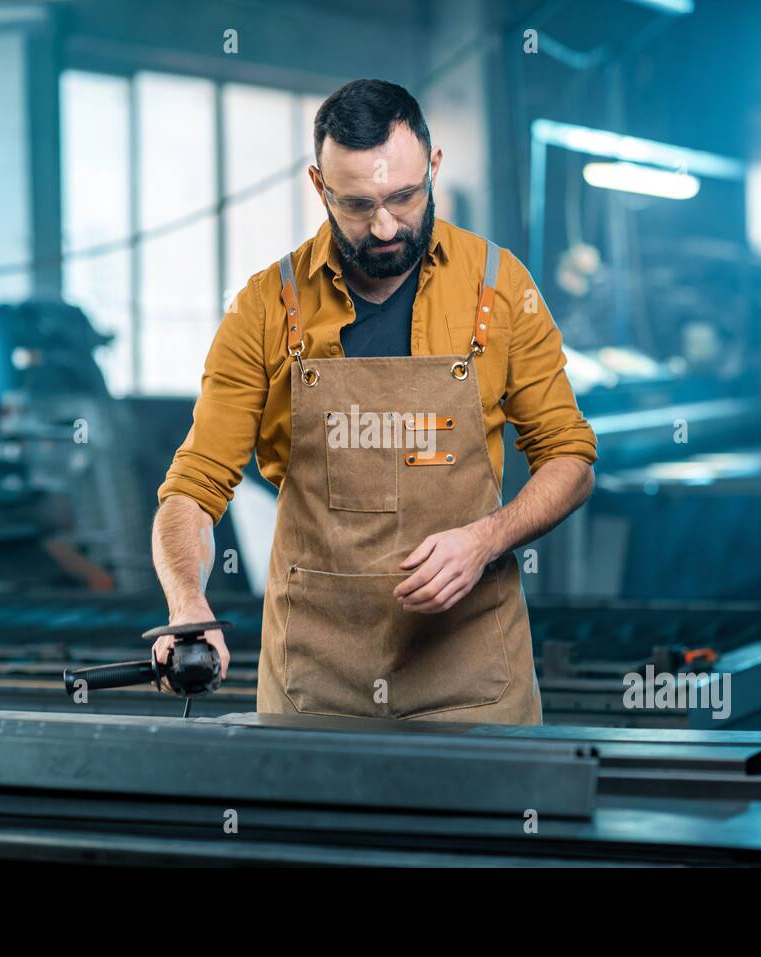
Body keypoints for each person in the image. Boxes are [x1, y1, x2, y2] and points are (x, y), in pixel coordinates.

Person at [152, 78, 596, 724]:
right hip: (315, 691)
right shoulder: (263, 308)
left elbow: (571, 458)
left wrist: (484, 540)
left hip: (471, 686)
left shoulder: (499, 287)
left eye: (405, 197)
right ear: (319, 186)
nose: (385, 225)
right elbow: (192, 488)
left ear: (434, 166)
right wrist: (187, 602)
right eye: (357, 204)